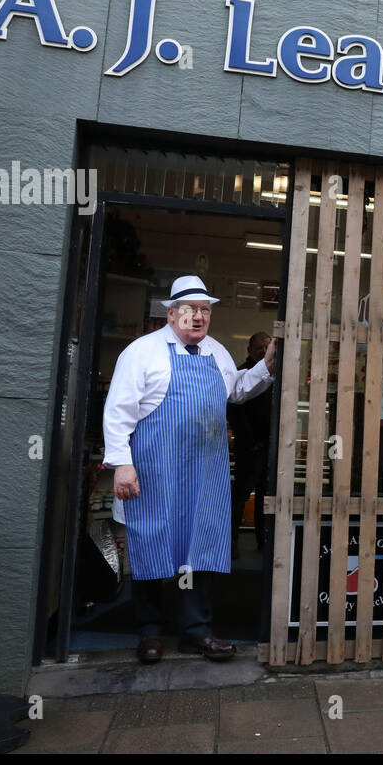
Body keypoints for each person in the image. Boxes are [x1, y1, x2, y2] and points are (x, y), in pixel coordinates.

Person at [104, 275, 278, 663]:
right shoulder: (142, 352)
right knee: (151, 545)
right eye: (190, 310)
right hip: (154, 472)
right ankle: (149, 633)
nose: (198, 317)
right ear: (172, 313)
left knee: (198, 549)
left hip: (203, 473)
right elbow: (117, 412)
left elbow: (237, 392)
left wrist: (265, 367)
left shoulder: (216, 352)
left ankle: (196, 632)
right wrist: (121, 464)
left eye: (204, 310)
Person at [228, 331, 274, 559]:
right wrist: (250, 443)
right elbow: (235, 413)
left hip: (269, 448)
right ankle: (232, 542)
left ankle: (262, 542)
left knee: (265, 499)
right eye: (259, 348)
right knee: (241, 496)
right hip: (249, 447)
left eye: (267, 348)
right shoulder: (240, 373)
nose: (264, 352)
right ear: (249, 350)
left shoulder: (275, 375)